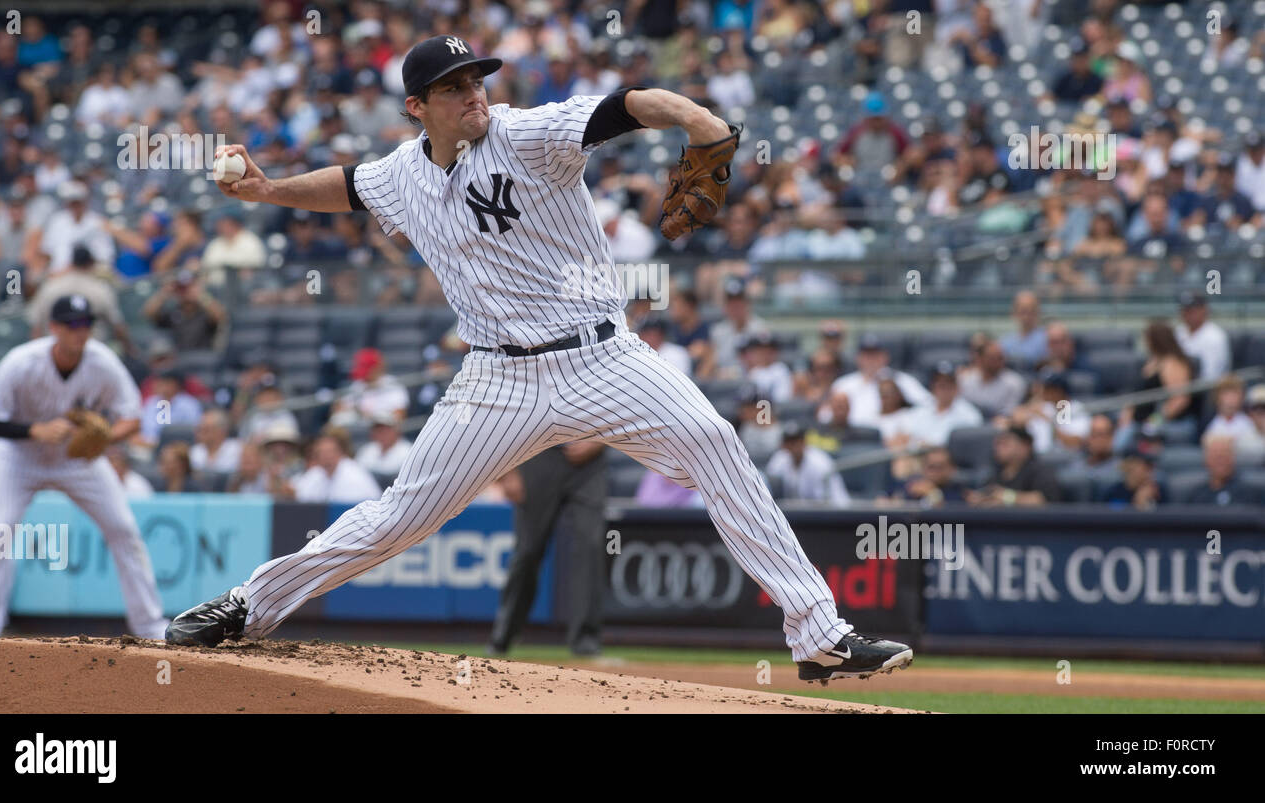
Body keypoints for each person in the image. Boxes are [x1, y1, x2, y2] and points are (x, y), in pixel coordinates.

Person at [167, 34, 912, 683]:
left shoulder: (527, 134)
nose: (472, 95)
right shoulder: (402, 171)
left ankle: (820, 637)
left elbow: (626, 105)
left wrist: (698, 120)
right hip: (496, 378)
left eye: (476, 80)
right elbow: (349, 187)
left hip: (602, 356)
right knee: (400, 517)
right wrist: (267, 190)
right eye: (453, 87)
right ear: (417, 107)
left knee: (717, 443)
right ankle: (249, 605)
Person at [0, 295, 167, 639]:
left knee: (123, 529)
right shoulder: (21, 362)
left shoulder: (103, 362)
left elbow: (132, 418)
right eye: (72, 324)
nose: (81, 331)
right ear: (53, 327)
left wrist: (104, 437)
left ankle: (150, 627)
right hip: (19, 458)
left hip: (76, 459)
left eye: (86, 323)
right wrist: (33, 430)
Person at [489, 439, 608, 657]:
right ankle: (503, 636)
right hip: (539, 453)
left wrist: (600, 441)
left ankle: (586, 641)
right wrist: (506, 471)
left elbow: (620, 407)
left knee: (590, 546)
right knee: (528, 550)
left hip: (590, 459)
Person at [966, 427, 1060, 506]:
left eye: (1005, 444)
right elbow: (990, 494)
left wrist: (1006, 497)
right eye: (997, 444)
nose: (998, 448)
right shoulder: (995, 474)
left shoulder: (1040, 471)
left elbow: (1043, 500)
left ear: (1025, 446)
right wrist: (981, 499)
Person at [764, 422, 851, 506]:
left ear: (804, 442)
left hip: (832, 510)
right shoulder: (779, 459)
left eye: (797, 441)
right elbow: (769, 489)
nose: (794, 446)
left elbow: (825, 503)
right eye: (789, 442)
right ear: (784, 445)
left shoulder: (819, 463)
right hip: (795, 514)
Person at [291, 428, 381, 504]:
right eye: (321, 452)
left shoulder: (352, 473)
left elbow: (353, 507)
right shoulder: (318, 471)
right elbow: (299, 495)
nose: (326, 456)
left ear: (340, 452)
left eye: (329, 451)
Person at [1174, 292, 1231, 382]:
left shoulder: (1215, 336)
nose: (1188, 314)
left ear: (1204, 310)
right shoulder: (1179, 331)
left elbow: (1211, 375)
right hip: (1182, 384)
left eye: (1192, 310)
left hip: (1208, 389)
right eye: (1185, 310)